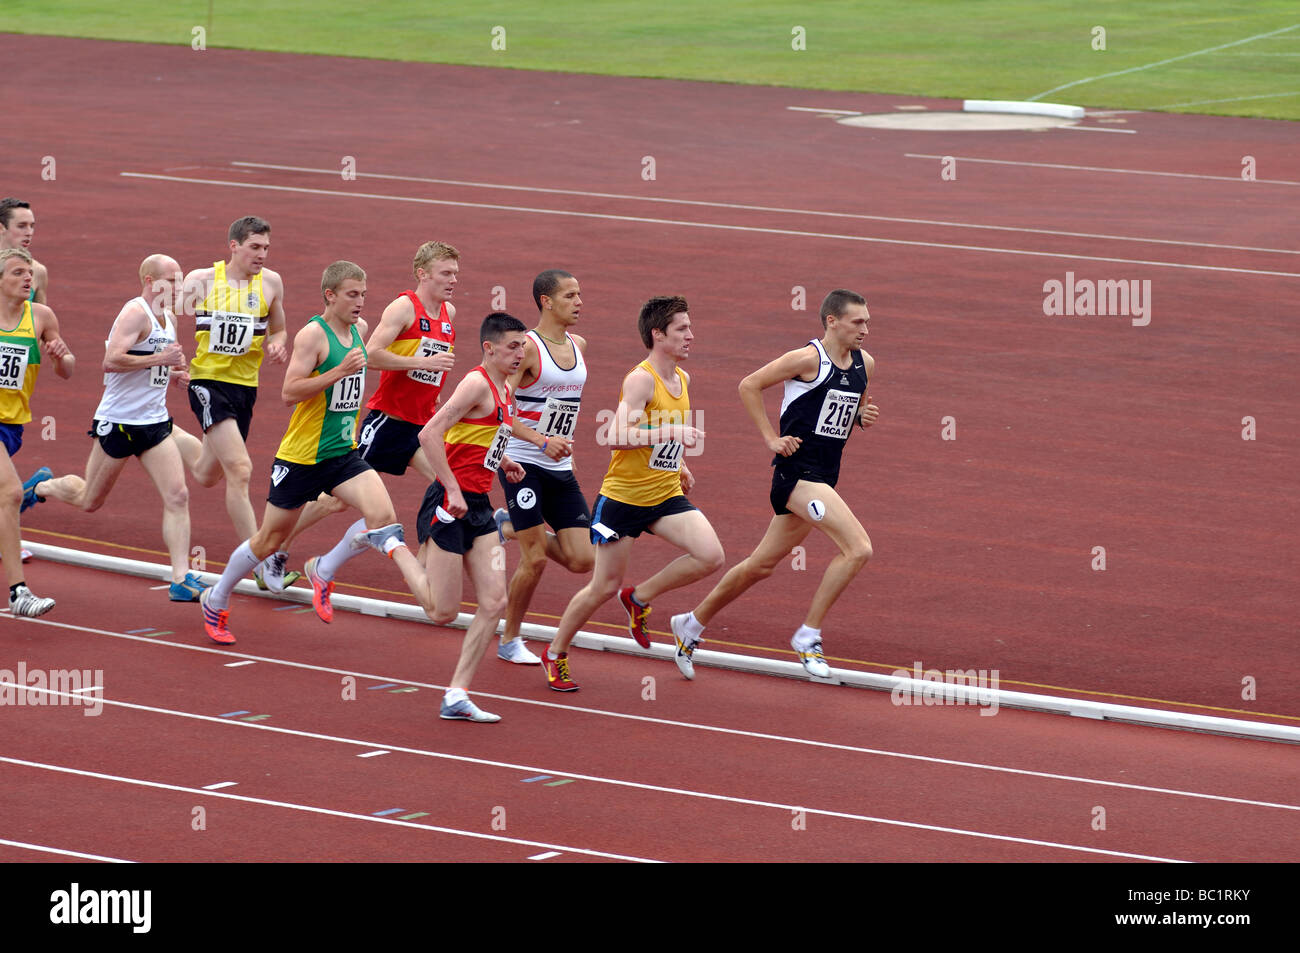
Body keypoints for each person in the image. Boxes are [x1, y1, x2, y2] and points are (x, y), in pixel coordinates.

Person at [669, 289, 878, 679]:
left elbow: (844, 412)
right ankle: (807, 636)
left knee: (759, 566)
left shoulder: (865, 363)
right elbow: (749, 385)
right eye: (857, 322)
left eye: (867, 321)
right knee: (858, 548)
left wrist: (861, 417)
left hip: (826, 476)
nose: (865, 329)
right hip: (796, 477)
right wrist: (770, 437)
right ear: (832, 321)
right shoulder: (806, 359)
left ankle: (690, 624)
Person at [199, 261, 405, 646]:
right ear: (330, 295)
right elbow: (289, 393)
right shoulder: (313, 335)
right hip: (301, 457)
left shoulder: (359, 331)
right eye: (352, 295)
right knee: (268, 542)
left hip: (342, 453)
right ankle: (217, 595)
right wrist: (338, 372)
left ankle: (323, 570)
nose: (361, 302)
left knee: (382, 517)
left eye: (364, 294)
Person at [540, 295, 724, 692]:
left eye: (690, 327)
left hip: (664, 493)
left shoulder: (683, 378)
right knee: (601, 587)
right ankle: (555, 653)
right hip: (623, 500)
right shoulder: (641, 379)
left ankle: (639, 598)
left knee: (710, 555)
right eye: (682, 329)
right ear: (658, 334)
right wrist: (672, 434)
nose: (691, 335)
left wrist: (681, 465)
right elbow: (615, 435)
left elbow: (660, 432)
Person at [255, 241, 461, 591]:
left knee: (449, 484)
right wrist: (420, 364)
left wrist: (431, 384)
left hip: (419, 424)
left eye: (456, 273)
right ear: (423, 274)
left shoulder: (448, 314)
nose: (453, 279)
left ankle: (426, 561)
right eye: (446, 272)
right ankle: (276, 552)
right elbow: (372, 355)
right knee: (334, 501)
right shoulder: (402, 308)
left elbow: (427, 362)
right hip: (386, 422)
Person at [25, 256, 208, 601]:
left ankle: (181, 579)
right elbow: (111, 361)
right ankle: (43, 486)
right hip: (119, 424)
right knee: (89, 500)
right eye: (170, 281)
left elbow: (151, 370)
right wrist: (160, 360)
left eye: (180, 281)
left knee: (178, 495)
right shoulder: (134, 312)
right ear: (150, 280)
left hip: (154, 423)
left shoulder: (168, 319)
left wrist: (174, 376)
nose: (178, 288)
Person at [380, 312, 532, 723]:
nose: (521, 353)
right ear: (489, 348)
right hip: (450, 504)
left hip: (479, 506)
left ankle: (457, 693)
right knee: (442, 612)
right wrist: (449, 488)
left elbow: (478, 437)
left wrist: (505, 462)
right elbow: (428, 433)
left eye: (523, 346)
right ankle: (390, 543)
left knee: (495, 601)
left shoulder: (503, 389)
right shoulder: (476, 382)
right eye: (513, 346)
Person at [173, 215, 289, 589]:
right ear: (234, 246)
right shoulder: (202, 281)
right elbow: (165, 321)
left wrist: (278, 342)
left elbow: (280, 326)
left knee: (208, 473)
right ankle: (261, 561)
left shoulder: (271, 283)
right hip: (208, 382)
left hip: (244, 389)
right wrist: (173, 365)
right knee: (239, 469)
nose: (262, 255)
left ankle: (160, 433)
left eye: (266, 248)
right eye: (255, 247)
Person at [492, 269, 595, 665]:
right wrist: (540, 440)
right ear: (545, 301)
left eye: (580, 293)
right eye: (570, 295)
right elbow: (500, 404)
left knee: (582, 560)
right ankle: (509, 639)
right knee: (534, 558)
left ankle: (505, 524)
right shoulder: (529, 349)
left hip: (560, 465)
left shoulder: (579, 344)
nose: (579, 302)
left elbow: (565, 407)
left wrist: (561, 444)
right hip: (523, 463)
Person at [0, 248, 74, 616]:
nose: (28, 279)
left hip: (12, 424)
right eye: (17, 273)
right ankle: (18, 593)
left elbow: (68, 371)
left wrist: (61, 355)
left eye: (29, 273)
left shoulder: (41, 317)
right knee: (11, 493)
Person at [0, 198, 48, 304]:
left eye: (31, 226)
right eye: (21, 226)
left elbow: (39, 318)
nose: (29, 232)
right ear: (1, 228)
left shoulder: (37, 271)